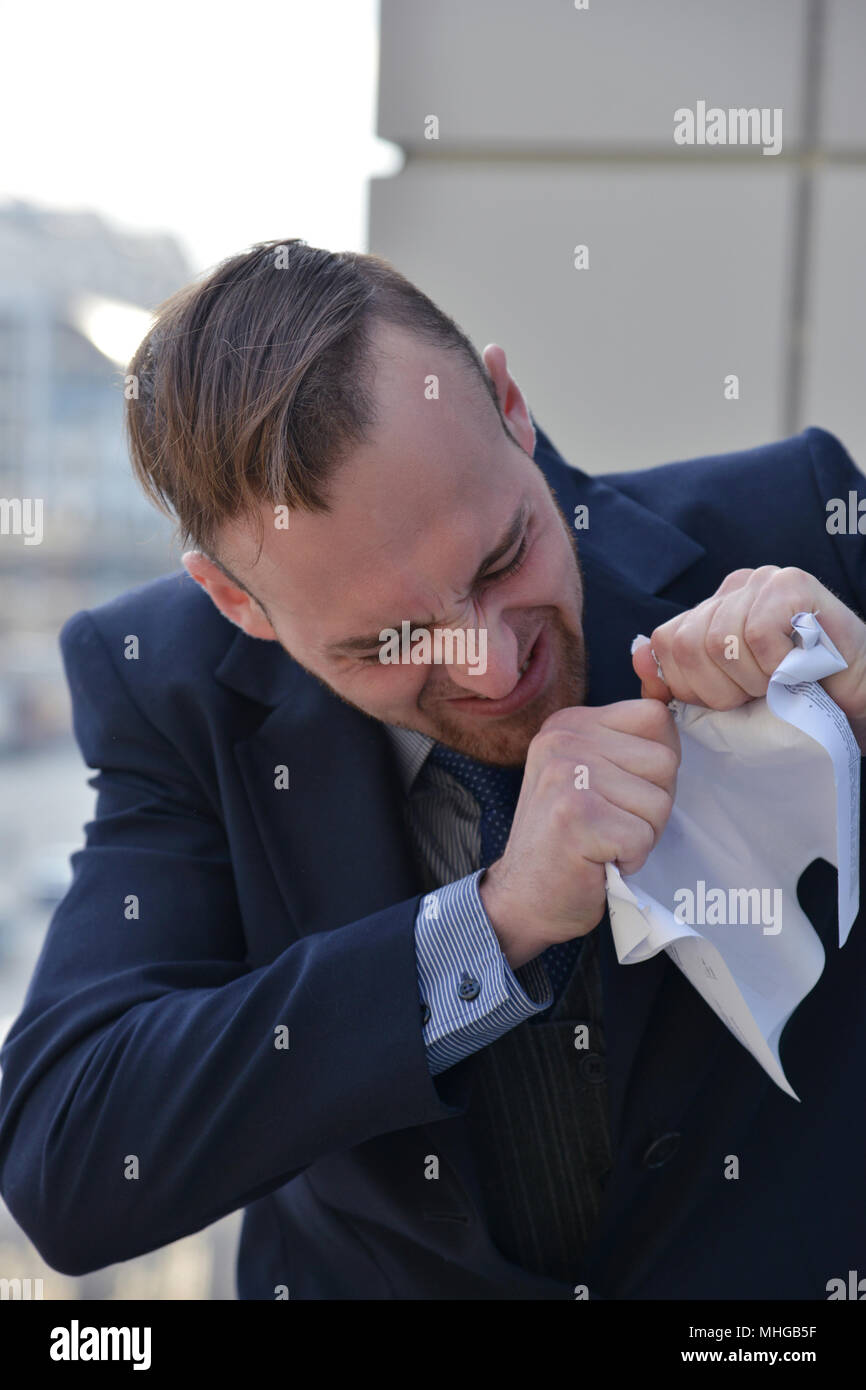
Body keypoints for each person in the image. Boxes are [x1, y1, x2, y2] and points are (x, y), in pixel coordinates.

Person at [1, 239, 864, 1300]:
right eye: (384, 644)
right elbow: (71, 1159)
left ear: (509, 405)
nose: (493, 666)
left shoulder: (799, 526)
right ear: (240, 606)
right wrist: (489, 924)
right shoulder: (175, 691)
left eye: (501, 560)